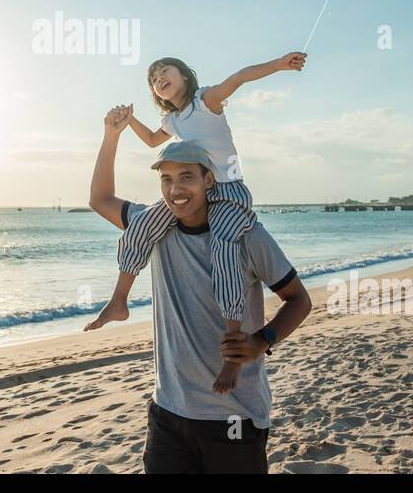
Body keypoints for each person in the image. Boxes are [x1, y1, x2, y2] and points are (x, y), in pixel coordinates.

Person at [89, 107, 312, 473]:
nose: (176, 189)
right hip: (168, 413)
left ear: (209, 180)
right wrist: (111, 136)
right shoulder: (154, 228)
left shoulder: (245, 235)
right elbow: (100, 199)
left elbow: (299, 300)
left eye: (187, 177)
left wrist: (263, 340)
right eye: (166, 179)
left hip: (234, 417)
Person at [85, 52, 306, 396]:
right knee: (141, 227)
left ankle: (233, 349)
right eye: (153, 77)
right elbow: (152, 141)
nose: (159, 78)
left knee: (224, 248)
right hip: (197, 192)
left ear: (184, 76)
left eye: (164, 71)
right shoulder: (173, 121)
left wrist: (279, 64)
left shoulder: (205, 101)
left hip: (228, 193)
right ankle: (119, 301)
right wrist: (124, 124)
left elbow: (239, 76)